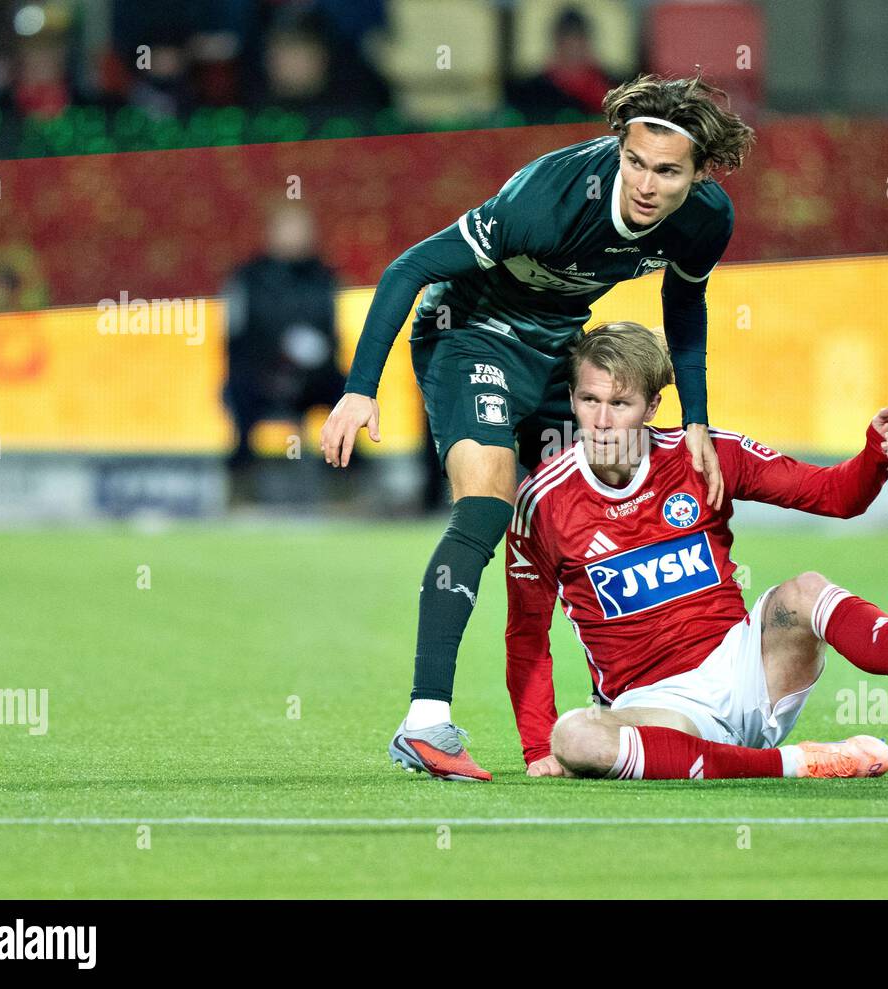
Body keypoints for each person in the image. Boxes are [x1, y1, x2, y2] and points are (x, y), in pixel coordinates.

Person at [323, 74, 755, 782]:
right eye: (635, 162)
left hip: (558, 346)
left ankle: (615, 707)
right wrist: (358, 390)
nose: (646, 184)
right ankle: (425, 720)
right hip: (471, 333)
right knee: (489, 500)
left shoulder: (707, 218)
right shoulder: (547, 202)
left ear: (698, 173)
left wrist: (698, 419)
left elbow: (686, 303)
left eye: (667, 172)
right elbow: (410, 266)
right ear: (620, 148)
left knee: (595, 512)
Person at [505, 322, 888, 781]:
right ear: (571, 399)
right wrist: (536, 749)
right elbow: (527, 635)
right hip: (660, 707)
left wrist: (874, 457)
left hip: (751, 670)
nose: (603, 420)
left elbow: (834, 496)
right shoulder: (543, 501)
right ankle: (802, 763)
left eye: (620, 403)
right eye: (589, 400)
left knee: (805, 593)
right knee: (574, 737)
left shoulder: (703, 453)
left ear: (652, 406)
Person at [223, 204, 344, 469]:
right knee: (239, 389)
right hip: (259, 375)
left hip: (313, 377)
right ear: (271, 232)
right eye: (288, 228)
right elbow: (235, 340)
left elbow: (333, 336)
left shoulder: (323, 277)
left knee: (347, 391)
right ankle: (241, 470)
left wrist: (311, 359)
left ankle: (345, 470)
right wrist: (273, 362)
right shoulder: (248, 278)